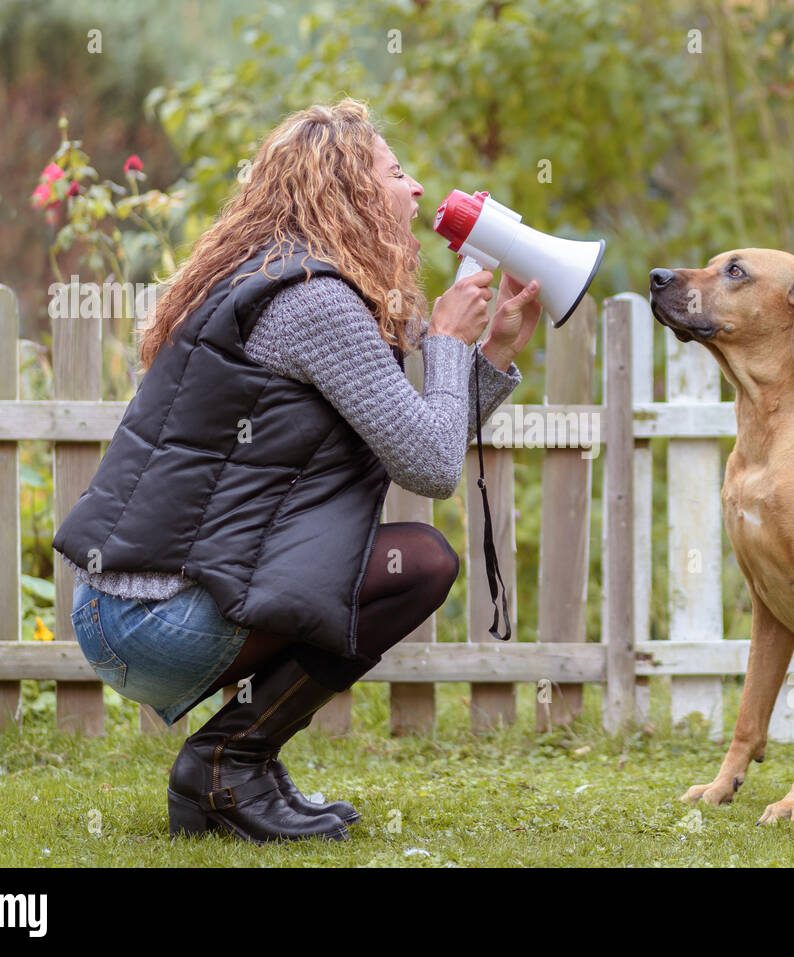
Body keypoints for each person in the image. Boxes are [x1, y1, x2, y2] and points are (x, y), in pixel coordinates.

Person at [51, 98, 542, 844]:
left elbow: (418, 437)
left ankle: (232, 771)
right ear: (346, 189)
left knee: (398, 560)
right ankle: (227, 761)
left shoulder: (284, 279)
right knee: (419, 564)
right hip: (149, 619)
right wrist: (445, 341)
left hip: (129, 606)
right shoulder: (314, 301)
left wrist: (493, 353)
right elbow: (435, 466)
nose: (415, 191)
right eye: (395, 171)